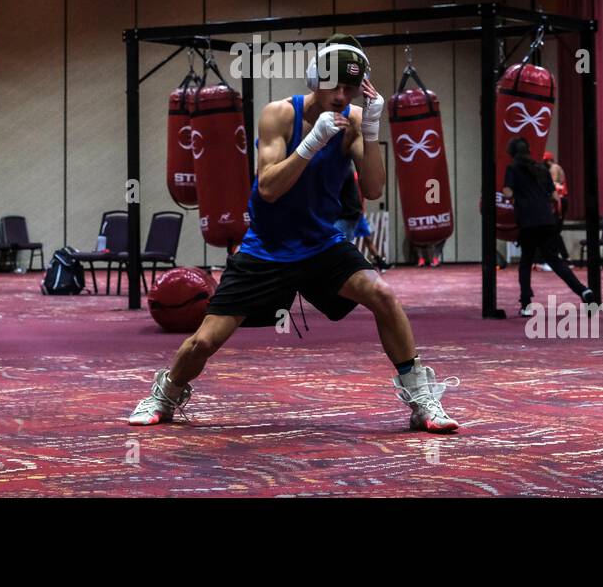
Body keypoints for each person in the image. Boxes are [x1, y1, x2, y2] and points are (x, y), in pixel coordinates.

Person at [128, 34, 459, 433]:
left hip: (321, 246)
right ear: (312, 79)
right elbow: (267, 187)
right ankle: (166, 392)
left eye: (349, 87)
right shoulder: (279, 115)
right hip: (266, 250)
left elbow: (372, 189)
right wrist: (313, 142)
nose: (341, 95)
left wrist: (370, 131)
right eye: (333, 84)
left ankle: (420, 397)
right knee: (204, 341)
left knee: (382, 294)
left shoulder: (354, 120)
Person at [504, 137, 593, 315]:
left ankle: (526, 305)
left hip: (528, 220)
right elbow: (555, 197)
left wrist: (511, 196)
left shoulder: (512, 168)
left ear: (513, 153)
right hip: (546, 219)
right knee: (555, 261)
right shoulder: (542, 169)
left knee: (526, 261)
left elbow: (508, 191)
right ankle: (583, 290)